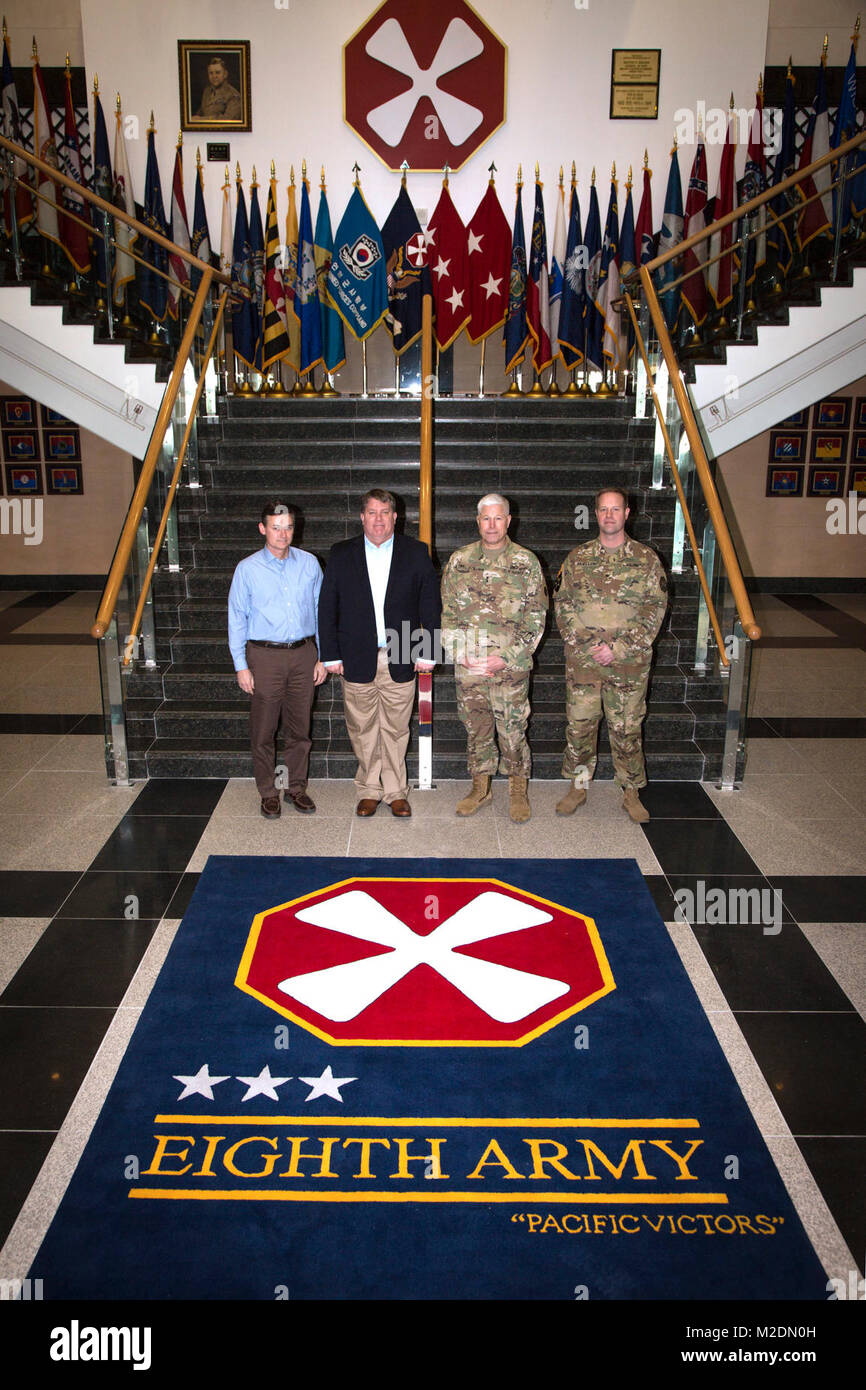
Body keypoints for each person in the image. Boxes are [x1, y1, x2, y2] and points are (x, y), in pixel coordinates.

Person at [318, 489, 441, 818]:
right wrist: (330, 653)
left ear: (395, 517)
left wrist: (428, 649)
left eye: (384, 512)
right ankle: (369, 789)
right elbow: (327, 607)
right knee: (361, 727)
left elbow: (430, 605)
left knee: (396, 727)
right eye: (371, 512)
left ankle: (395, 791)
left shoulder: (416, 552)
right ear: (362, 517)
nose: (378, 519)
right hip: (355, 653)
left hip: (401, 649)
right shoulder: (341, 553)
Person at [554, 487, 668, 823]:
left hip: (628, 663)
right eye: (603, 509)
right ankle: (578, 786)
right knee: (579, 726)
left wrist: (617, 648)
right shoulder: (577, 558)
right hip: (584, 661)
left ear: (627, 513)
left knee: (627, 728)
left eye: (615, 509)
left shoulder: (646, 560)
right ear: (595, 514)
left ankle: (631, 790)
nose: (608, 515)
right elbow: (563, 605)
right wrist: (590, 645)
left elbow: (654, 609)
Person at [441, 493, 547, 823]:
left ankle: (517, 789)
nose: (491, 525)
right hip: (471, 668)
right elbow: (448, 614)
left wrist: (508, 656)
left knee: (513, 729)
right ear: (477, 522)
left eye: (498, 518)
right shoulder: (460, 561)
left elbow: (536, 616)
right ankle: (481, 787)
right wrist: (462, 654)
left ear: (508, 521)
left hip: (510, 668)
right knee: (477, 728)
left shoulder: (526, 562)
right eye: (485, 518)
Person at [227, 501, 326, 818]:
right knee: (264, 730)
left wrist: (322, 656)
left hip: (303, 654)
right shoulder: (247, 568)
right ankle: (267, 791)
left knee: (300, 729)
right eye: (276, 527)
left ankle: (296, 788)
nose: (283, 534)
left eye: (288, 527)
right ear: (262, 529)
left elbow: (321, 612)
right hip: (264, 656)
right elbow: (236, 619)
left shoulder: (310, 564)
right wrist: (241, 665)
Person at [197, 56, 242, 122]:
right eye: (211, 73)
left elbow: (228, 120)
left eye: (217, 72)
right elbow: (202, 111)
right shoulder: (207, 90)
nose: (214, 76)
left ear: (225, 74)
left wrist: (200, 119)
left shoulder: (234, 96)